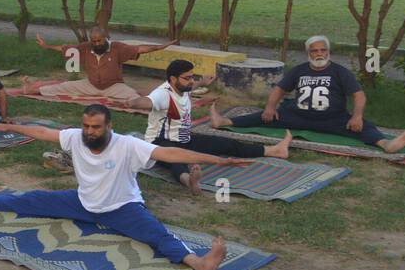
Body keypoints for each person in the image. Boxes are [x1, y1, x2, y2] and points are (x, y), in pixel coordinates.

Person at [0, 105, 255, 270]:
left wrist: (218, 159)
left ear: (109, 126)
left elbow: (170, 154)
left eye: (96, 127)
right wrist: (2, 125)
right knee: (31, 200)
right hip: (83, 203)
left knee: (157, 235)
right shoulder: (76, 138)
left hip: (122, 207)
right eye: (86, 126)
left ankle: (200, 263)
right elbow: (43, 132)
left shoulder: (127, 144)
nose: (90, 132)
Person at [208, 36, 405, 153]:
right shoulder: (299, 70)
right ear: (309, 54)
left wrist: (357, 115)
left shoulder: (339, 71)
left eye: (323, 50)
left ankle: (386, 144)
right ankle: (224, 121)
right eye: (314, 51)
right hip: (299, 116)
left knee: (363, 126)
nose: (319, 54)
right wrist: (271, 107)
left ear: (328, 52)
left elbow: (358, 96)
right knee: (266, 115)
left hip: (332, 118)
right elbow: (279, 90)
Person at [116, 59, 292, 193]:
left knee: (226, 144)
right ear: (173, 79)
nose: (192, 81)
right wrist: (132, 103)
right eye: (188, 78)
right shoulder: (162, 94)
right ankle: (190, 181)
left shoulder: (182, 87)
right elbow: (147, 102)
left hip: (185, 138)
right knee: (177, 162)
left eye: (192, 77)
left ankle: (274, 151)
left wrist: (202, 83)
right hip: (159, 142)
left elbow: (189, 89)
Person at [24, 28, 177, 101]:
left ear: (106, 38)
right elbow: (65, 48)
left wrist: (160, 47)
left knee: (134, 99)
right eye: (94, 41)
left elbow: (141, 49)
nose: (96, 44)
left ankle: (161, 102)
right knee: (61, 87)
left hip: (114, 86)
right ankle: (29, 88)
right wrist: (47, 46)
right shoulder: (85, 47)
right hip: (89, 85)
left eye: (99, 41)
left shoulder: (117, 47)